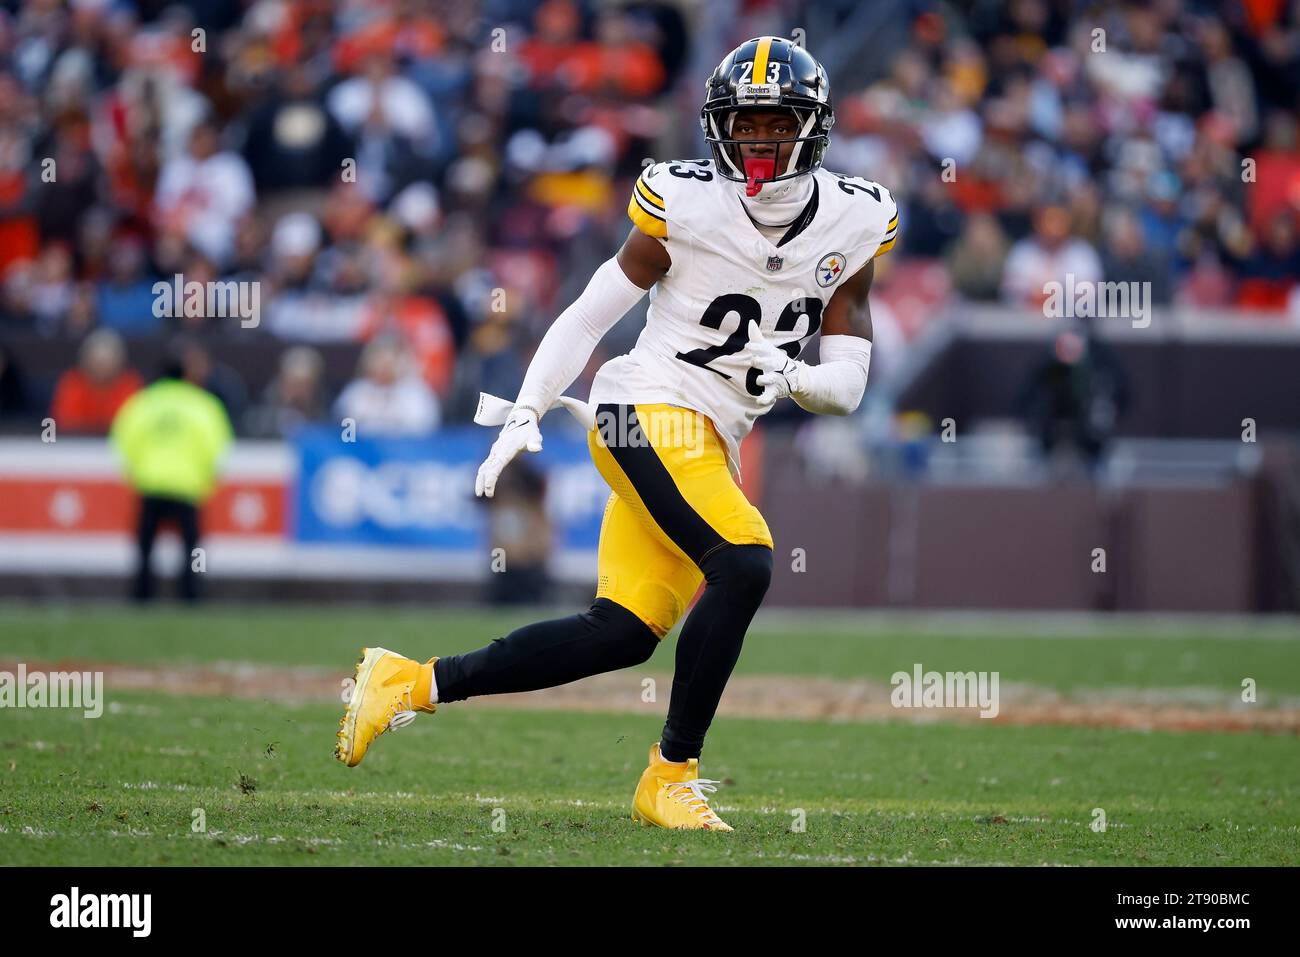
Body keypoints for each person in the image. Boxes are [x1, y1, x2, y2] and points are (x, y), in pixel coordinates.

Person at [334, 38, 893, 831]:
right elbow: (591, 311)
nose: (753, 140)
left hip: (707, 438)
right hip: (637, 408)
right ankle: (670, 775)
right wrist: (530, 405)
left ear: (811, 129)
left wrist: (796, 378)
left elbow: (849, 379)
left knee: (622, 632)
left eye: (773, 123)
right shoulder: (683, 200)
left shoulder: (857, 218)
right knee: (744, 561)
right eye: (740, 123)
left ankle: (408, 682)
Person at [109, 355, 233, 602]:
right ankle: (190, 594)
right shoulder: (202, 404)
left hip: (151, 484)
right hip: (188, 486)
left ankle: (143, 594)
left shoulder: (142, 403)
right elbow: (218, 445)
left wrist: (136, 471)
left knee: (146, 546)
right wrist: (207, 478)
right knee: (191, 547)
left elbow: (123, 439)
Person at [49, 330, 143, 435]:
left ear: (119, 362)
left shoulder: (129, 385)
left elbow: (132, 422)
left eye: (107, 362)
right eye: (97, 362)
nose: (102, 368)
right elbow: (66, 421)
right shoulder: (72, 383)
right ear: (86, 360)